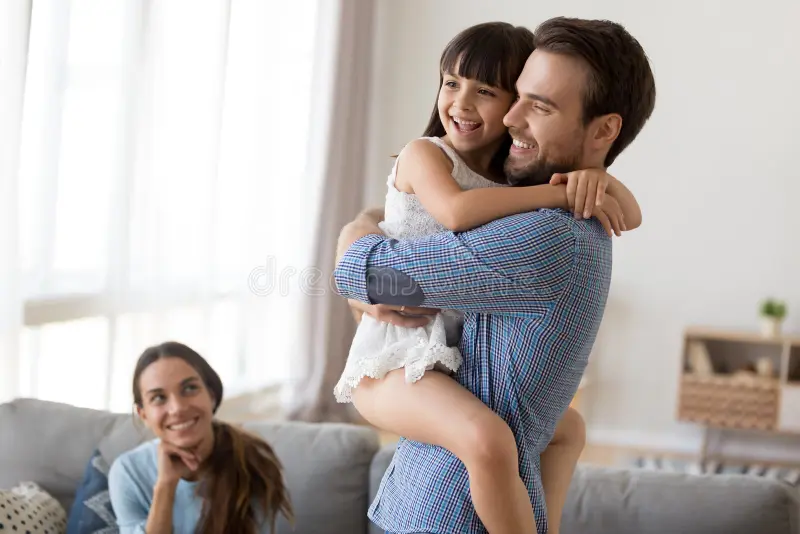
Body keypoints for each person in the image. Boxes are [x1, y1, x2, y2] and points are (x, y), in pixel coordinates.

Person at [334, 16, 656, 534]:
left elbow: (368, 274)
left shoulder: (548, 234)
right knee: (547, 430)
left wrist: (352, 244)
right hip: (397, 365)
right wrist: (363, 226)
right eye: (518, 98)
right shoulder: (515, 192)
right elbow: (403, 240)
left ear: (604, 130)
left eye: (539, 105)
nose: (509, 119)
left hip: (445, 511)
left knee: (509, 436)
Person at [108, 341, 293, 534]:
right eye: (159, 398)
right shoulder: (127, 471)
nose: (177, 408)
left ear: (211, 395)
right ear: (143, 414)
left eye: (189, 388)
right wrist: (166, 486)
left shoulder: (255, 460)